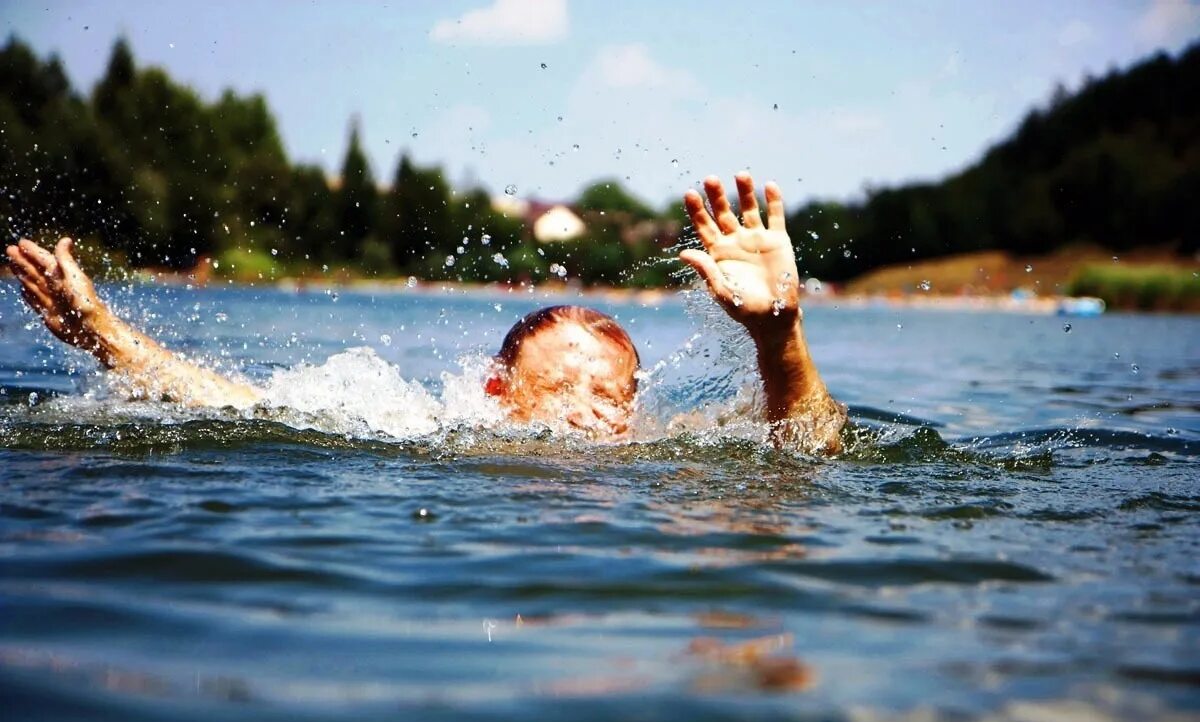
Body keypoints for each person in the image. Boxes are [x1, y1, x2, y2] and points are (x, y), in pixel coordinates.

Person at [5, 173, 847, 453]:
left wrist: (780, 338)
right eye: (559, 392)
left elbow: (810, 445)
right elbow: (233, 406)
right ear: (493, 394)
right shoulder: (424, 426)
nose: (589, 415)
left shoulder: (662, 456)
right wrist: (101, 333)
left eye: (610, 399)